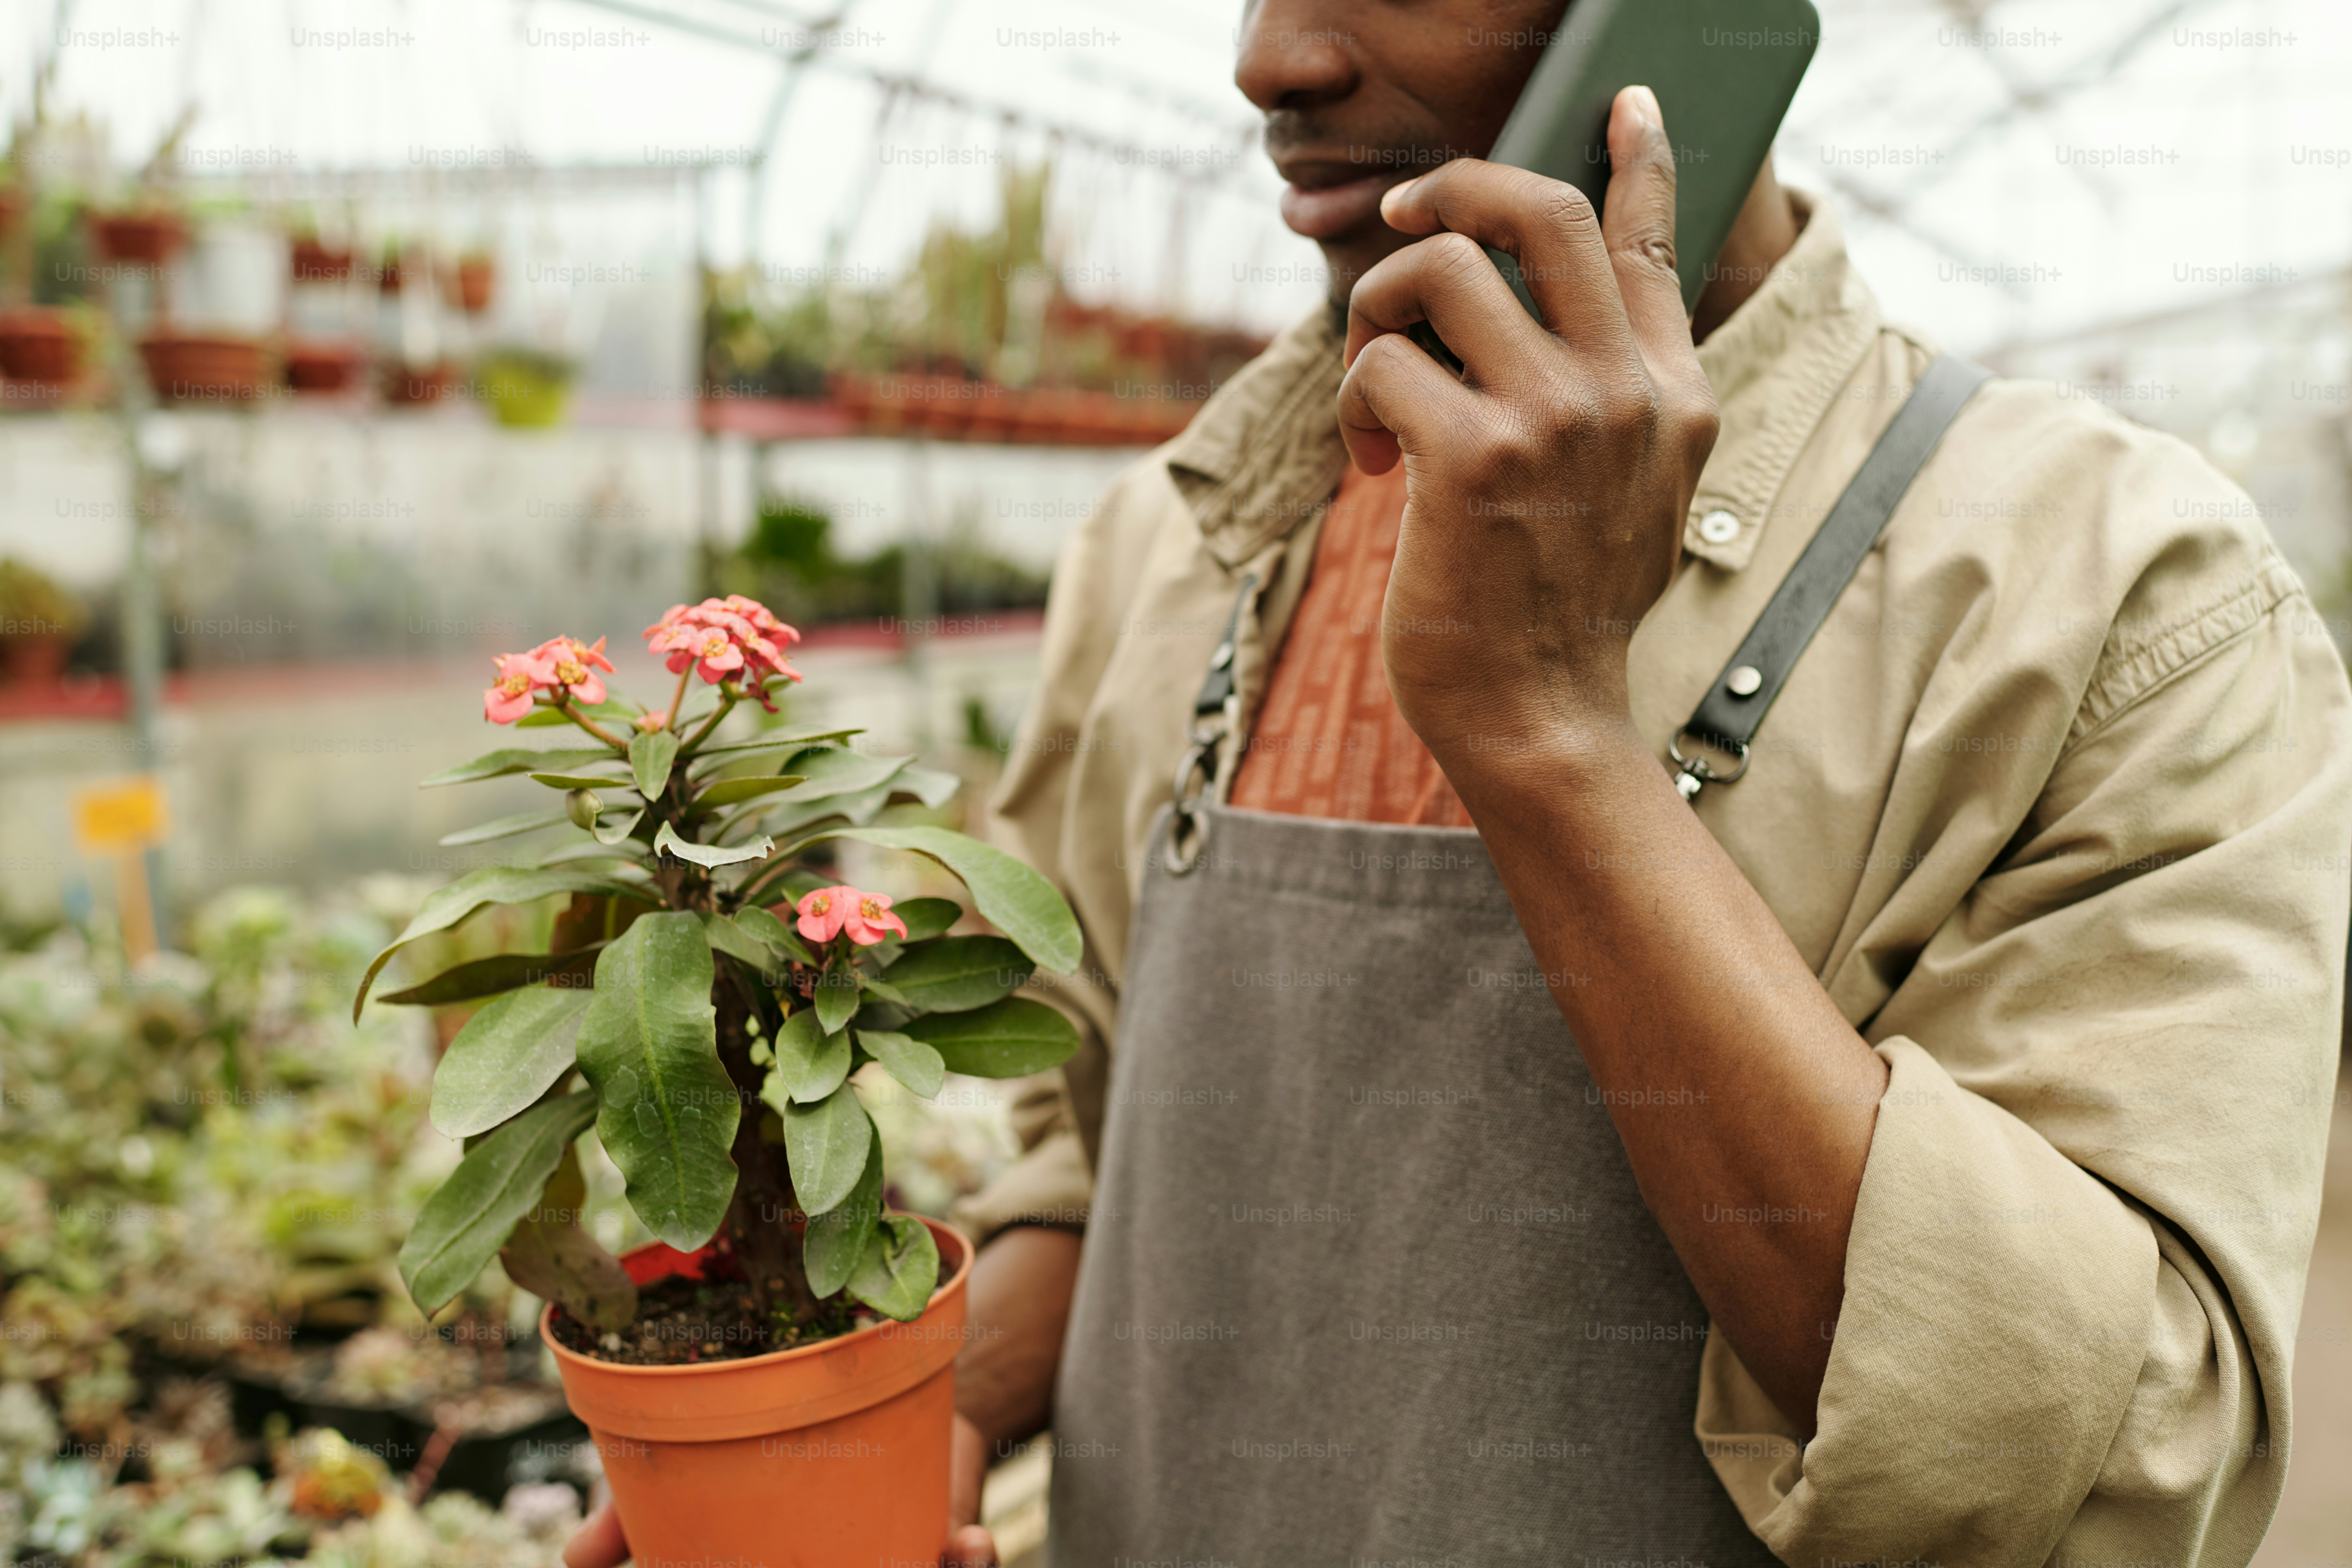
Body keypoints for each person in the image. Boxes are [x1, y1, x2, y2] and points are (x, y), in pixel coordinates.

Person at [570, 3, 2352, 1564]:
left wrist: (1553, 731)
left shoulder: (2112, 592)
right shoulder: (1182, 541)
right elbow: (1101, 1163)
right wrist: (913, 1422)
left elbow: (2102, 1467)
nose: (1275, 55)